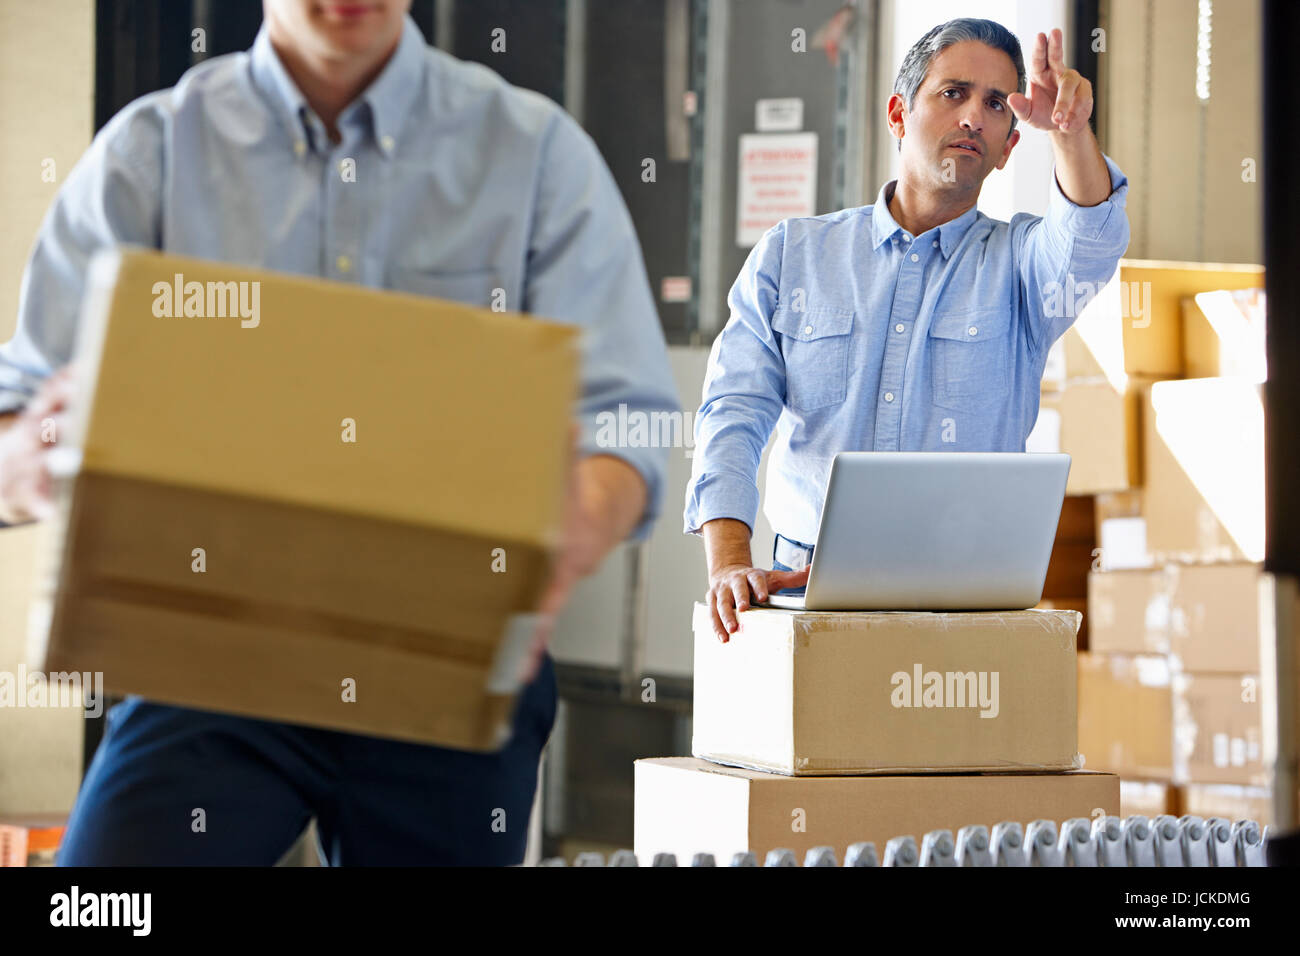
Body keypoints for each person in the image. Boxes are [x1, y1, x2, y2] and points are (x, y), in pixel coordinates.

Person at [0, 0, 678, 865]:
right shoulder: (153, 152)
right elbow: (14, 414)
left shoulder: (534, 152)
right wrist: (39, 455)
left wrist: (574, 521)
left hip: (454, 656)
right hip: (211, 660)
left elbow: (627, 420)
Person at [684, 19, 1129, 642]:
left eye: (996, 104)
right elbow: (734, 410)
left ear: (1007, 147)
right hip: (803, 590)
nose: (974, 116)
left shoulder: (1024, 269)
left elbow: (1089, 240)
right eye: (954, 93)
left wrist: (1071, 135)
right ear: (898, 114)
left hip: (966, 604)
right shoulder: (793, 255)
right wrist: (730, 561)